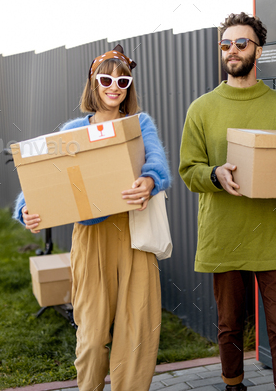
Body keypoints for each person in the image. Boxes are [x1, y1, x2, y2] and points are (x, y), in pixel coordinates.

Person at [13, 44, 171, 391]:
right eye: (106, 79)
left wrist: (149, 180)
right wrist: (25, 207)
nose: (114, 86)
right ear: (93, 83)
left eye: (123, 81)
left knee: (137, 332)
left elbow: (157, 161)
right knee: (91, 332)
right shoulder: (73, 129)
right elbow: (45, 174)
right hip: (90, 238)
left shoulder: (138, 123)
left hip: (134, 235)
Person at [179, 13, 276, 391]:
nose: (232, 51)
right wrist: (215, 175)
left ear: (258, 50)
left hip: (271, 237)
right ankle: (233, 385)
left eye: (241, 43)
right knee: (229, 324)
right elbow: (189, 169)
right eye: (226, 44)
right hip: (224, 233)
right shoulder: (201, 108)